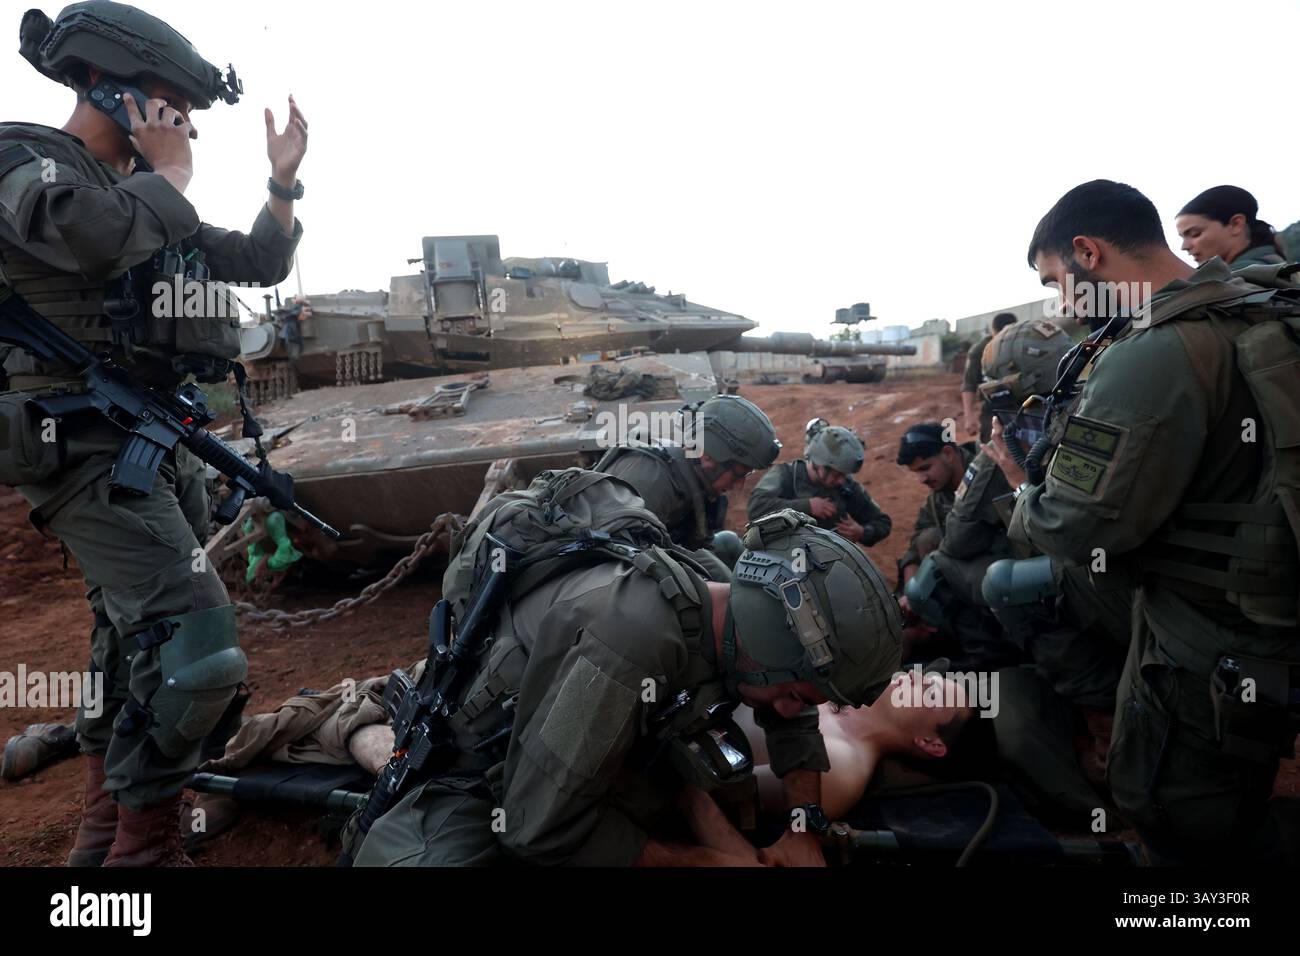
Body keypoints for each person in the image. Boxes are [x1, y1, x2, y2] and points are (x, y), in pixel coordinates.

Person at [0, 1, 306, 866]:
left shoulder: (143, 193)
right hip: (76, 445)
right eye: (172, 107)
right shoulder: (22, 158)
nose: (184, 130)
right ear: (114, 89)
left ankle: (107, 839)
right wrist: (168, 173)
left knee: (127, 646)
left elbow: (257, 261)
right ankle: (143, 856)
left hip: (155, 445)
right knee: (198, 652)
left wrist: (281, 184)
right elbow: (87, 240)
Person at [998, 178, 1300, 862]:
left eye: (1056, 281)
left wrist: (1023, 491)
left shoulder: (1154, 352)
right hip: (1275, 594)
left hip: (1217, 627)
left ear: (1087, 253)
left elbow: (1078, 530)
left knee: (1170, 810)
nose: (1062, 302)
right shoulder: (1261, 304)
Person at [350, 509, 904, 867]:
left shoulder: (731, 598)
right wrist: (701, 862)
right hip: (490, 767)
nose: (790, 709)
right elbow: (536, 828)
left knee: (723, 786)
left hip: (602, 732)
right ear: (764, 650)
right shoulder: (627, 645)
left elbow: (792, 716)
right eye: (794, 692)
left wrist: (804, 827)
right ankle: (353, 725)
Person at [906, 320, 1072, 671]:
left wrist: (1016, 481)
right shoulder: (1102, 411)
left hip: (1085, 579)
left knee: (969, 573)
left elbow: (957, 544)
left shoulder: (997, 459)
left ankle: (1003, 667)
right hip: (1117, 574)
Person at [596, 393, 780, 577]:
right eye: (737, 474)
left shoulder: (694, 478)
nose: (739, 485)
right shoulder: (652, 479)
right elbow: (616, 558)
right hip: (604, 573)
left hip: (652, 553)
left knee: (728, 543)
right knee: (721, 584)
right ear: (708, 456)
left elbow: (696, 543)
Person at [747, 418, 891, 546]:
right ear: (818, 463)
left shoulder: (846, 486)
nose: (841, 481)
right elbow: (756, 507)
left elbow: (883, 522)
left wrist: (862, 532)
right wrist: (806, 506)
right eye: (837, 474)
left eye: (844, 475)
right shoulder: (786, 474)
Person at [894, 422, 977, 589]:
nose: (921, 479)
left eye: (925, 468)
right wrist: (912, 586)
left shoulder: (987, 474)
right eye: (916, 472)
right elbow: (916, 543)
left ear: (948, 453)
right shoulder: (938, 497)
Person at [1175, 185, 1288, 270]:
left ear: (1236, 224)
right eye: (1182, 237)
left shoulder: (1241, 279)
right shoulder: (1272, 266)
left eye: (1195, 233)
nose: (1185, 246)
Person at [961, 311, 1016, 440]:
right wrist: (969, 416)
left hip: (1022, 407)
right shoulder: (980, 350)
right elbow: (969, 383)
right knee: (992, 445)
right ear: (994, 333)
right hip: (993, 410)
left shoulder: (1022, 345)